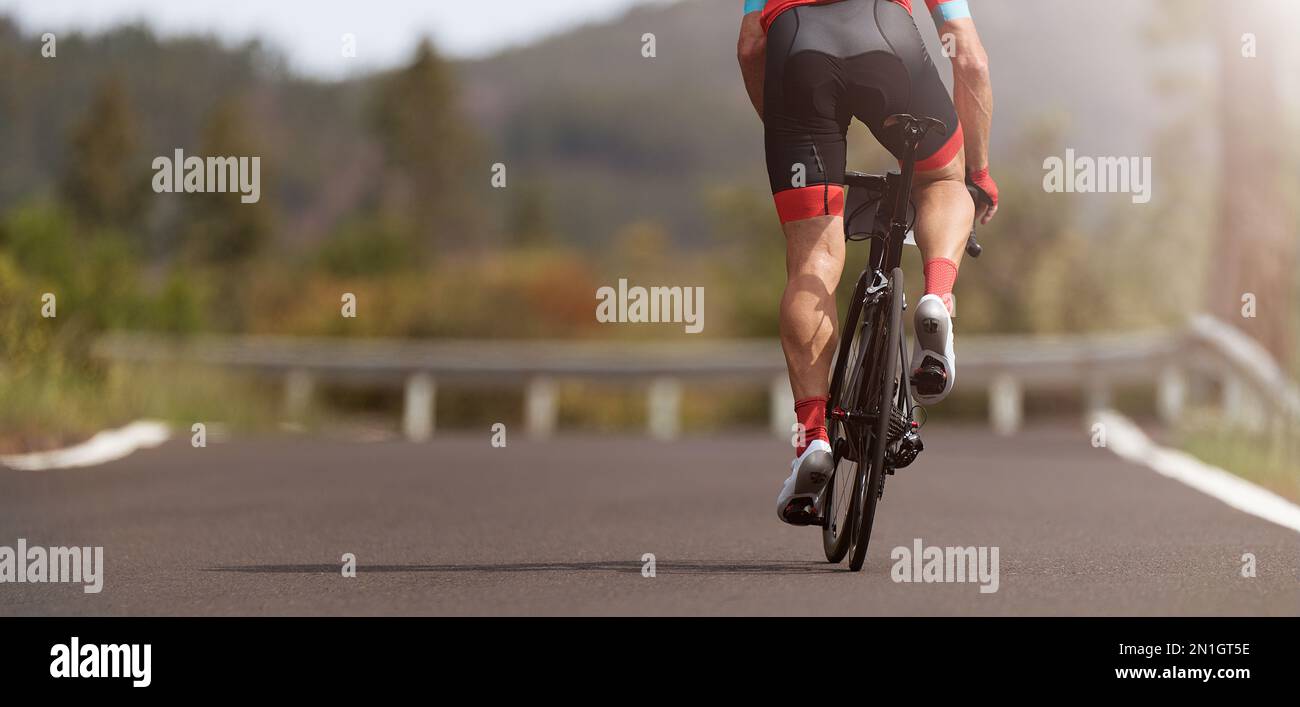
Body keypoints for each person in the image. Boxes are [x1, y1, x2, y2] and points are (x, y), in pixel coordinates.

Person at [737, 0, 999, 524]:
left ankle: (811, 438)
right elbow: (968, 57)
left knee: (813, 260)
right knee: (942, 182)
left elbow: (751, 47)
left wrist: (799, 135)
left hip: (796, 55)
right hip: (888, 44)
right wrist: (980, 170)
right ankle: (937, 294)